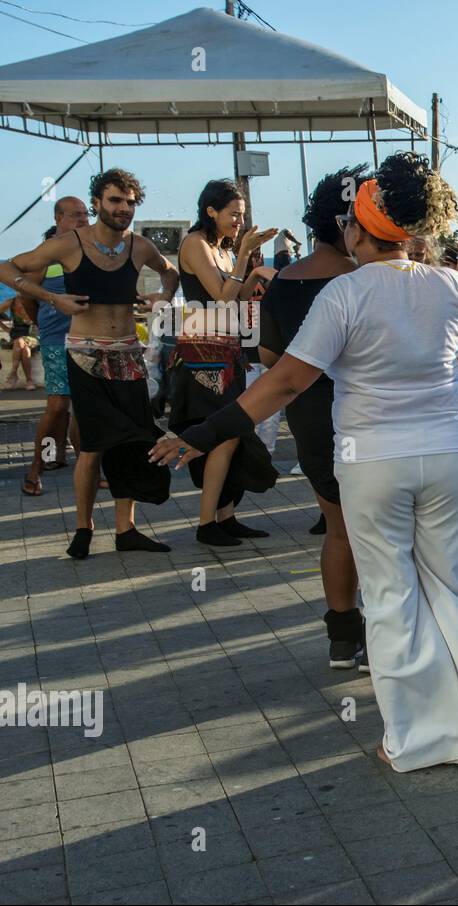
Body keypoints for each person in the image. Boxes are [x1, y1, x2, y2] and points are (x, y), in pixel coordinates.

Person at [151, 152, 458, 771]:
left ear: (359, 231)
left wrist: (205, 432)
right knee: (449, 590)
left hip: (373, 462)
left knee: (393, 595)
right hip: (448, 454)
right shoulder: (452, 283)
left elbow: (286, 381)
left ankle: (415, 741)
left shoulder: (345, 293)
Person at [0, 168, 177, 558]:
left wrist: (162, 297)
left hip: (128, 355)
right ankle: (83, 528)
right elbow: (7, 269)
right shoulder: (70, 245)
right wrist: (52, 299)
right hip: (85, 355)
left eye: (130, 202)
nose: (123, 209)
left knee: (132, 442)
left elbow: (172, 273)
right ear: (97, 203)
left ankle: (125, 529)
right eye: (115, 200)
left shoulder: (140, 246)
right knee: (92, 447)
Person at [258, 165, 370, 671]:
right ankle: (391, 636)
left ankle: (343, 638)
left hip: (310, 417)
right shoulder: (368, 279)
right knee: (388, 531)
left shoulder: (283, 280)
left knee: (338, 528)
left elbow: (268, 358)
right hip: (369, 414)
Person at [173, 179, 280, 547]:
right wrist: (244, 257)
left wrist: (253, 273)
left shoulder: (222, 250)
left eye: (243, 215)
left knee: (233, 435)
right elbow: (220, 297)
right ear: (211, 211)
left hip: (226, 349)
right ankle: (207, 523)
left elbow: (237, 299)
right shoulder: (195, 244)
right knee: (223, 435)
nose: (239, 221)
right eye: (234, 214)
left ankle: (226, 515)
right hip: (202, 352)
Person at [18, 200, 90, 497]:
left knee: (81, 407)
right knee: (58, 405)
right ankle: (38, 464)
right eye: (76, 215)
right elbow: (26, 295)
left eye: (86, 214)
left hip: (88, 338)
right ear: (58, 217)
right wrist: (45, 323)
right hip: (56, 339)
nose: (83, 219)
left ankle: (70, 461)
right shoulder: (47, 254)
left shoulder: (92, 248)